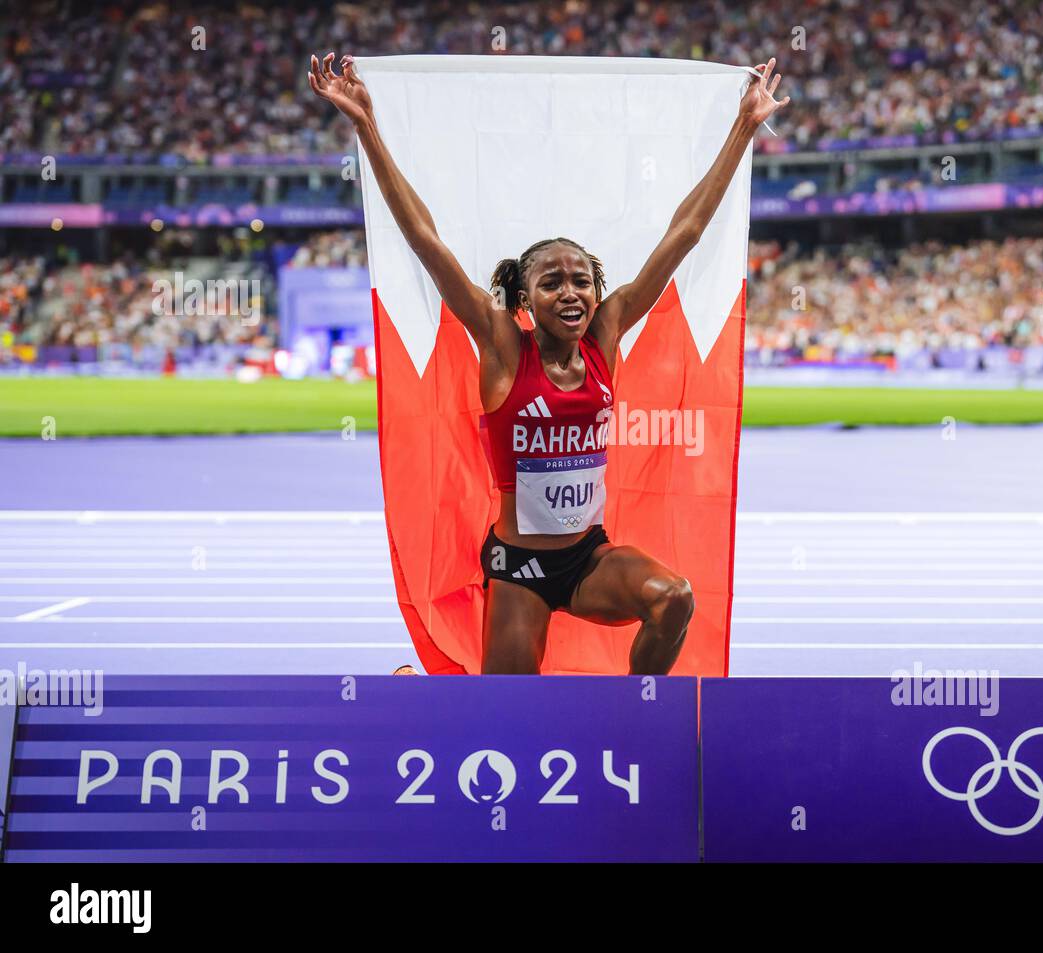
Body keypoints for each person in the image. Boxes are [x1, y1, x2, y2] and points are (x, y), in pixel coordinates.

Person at [309, 51, 788, 674]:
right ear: (524, 297)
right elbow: (425, 239)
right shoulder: (504, 345)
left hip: (589, 557)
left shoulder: (606, 335)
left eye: (582, 280)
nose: (571, 292)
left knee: (673, 599)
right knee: (507, 713)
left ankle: (635, 718)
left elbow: (686, 232)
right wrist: (367, 127)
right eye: (552, 281)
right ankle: (423, 693)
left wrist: (744, 128)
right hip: (520, 567)